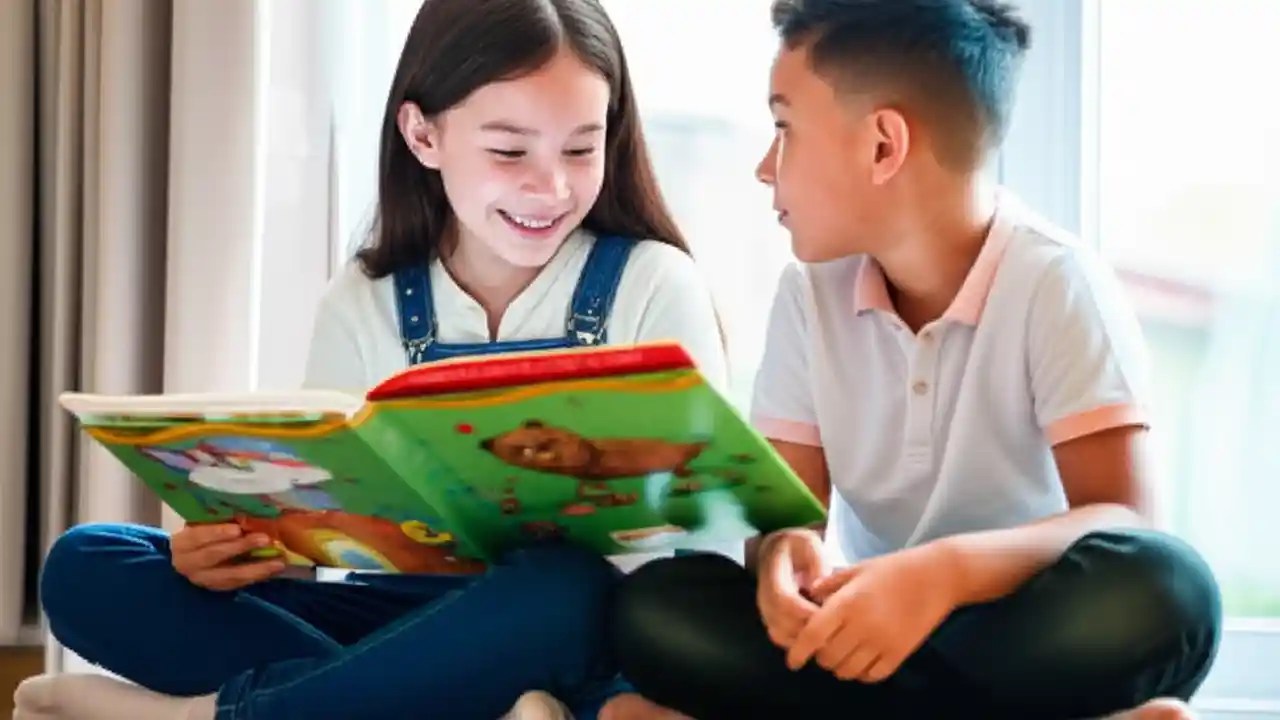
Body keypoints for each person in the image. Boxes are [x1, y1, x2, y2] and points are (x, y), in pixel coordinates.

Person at [15, 1, 725, 719]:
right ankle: (442, 703)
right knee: (88, 566)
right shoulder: (366, 296)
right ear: (423, 134)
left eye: (580, 149)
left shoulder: (652, 284)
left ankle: (223, 714)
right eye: (510, 152)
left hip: (567, 626)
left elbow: (703, 540)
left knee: (562, 586)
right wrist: (237, 551)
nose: (553, 187)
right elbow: (321, 537)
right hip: (388, 616)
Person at [603, 1, 1221, 719]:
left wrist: (942, 575)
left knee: (1166, 591)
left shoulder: (1056, 281)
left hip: (1021, 635)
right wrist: (782, 562)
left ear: (883, 146)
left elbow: (1123, 518)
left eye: (784, 128)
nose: (765, 167)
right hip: (874, 641)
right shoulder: (808, 295)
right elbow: (787, 524)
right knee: (656, 606)